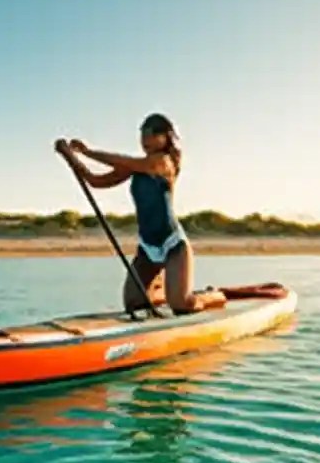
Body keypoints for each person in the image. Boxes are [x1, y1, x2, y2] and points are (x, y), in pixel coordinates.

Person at [54, 113, 226, 315]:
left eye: (150, 134)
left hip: (173, 245)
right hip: (147, 247)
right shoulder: (135, 167)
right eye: (142, 134)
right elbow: (95, 181)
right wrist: (70, 157)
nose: (145, 140)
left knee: (181, 305)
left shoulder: (164, 162)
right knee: (134, 305)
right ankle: (161, 292)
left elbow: (122, 160)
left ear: (165, 137)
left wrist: (88, 152)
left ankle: (212, 295)